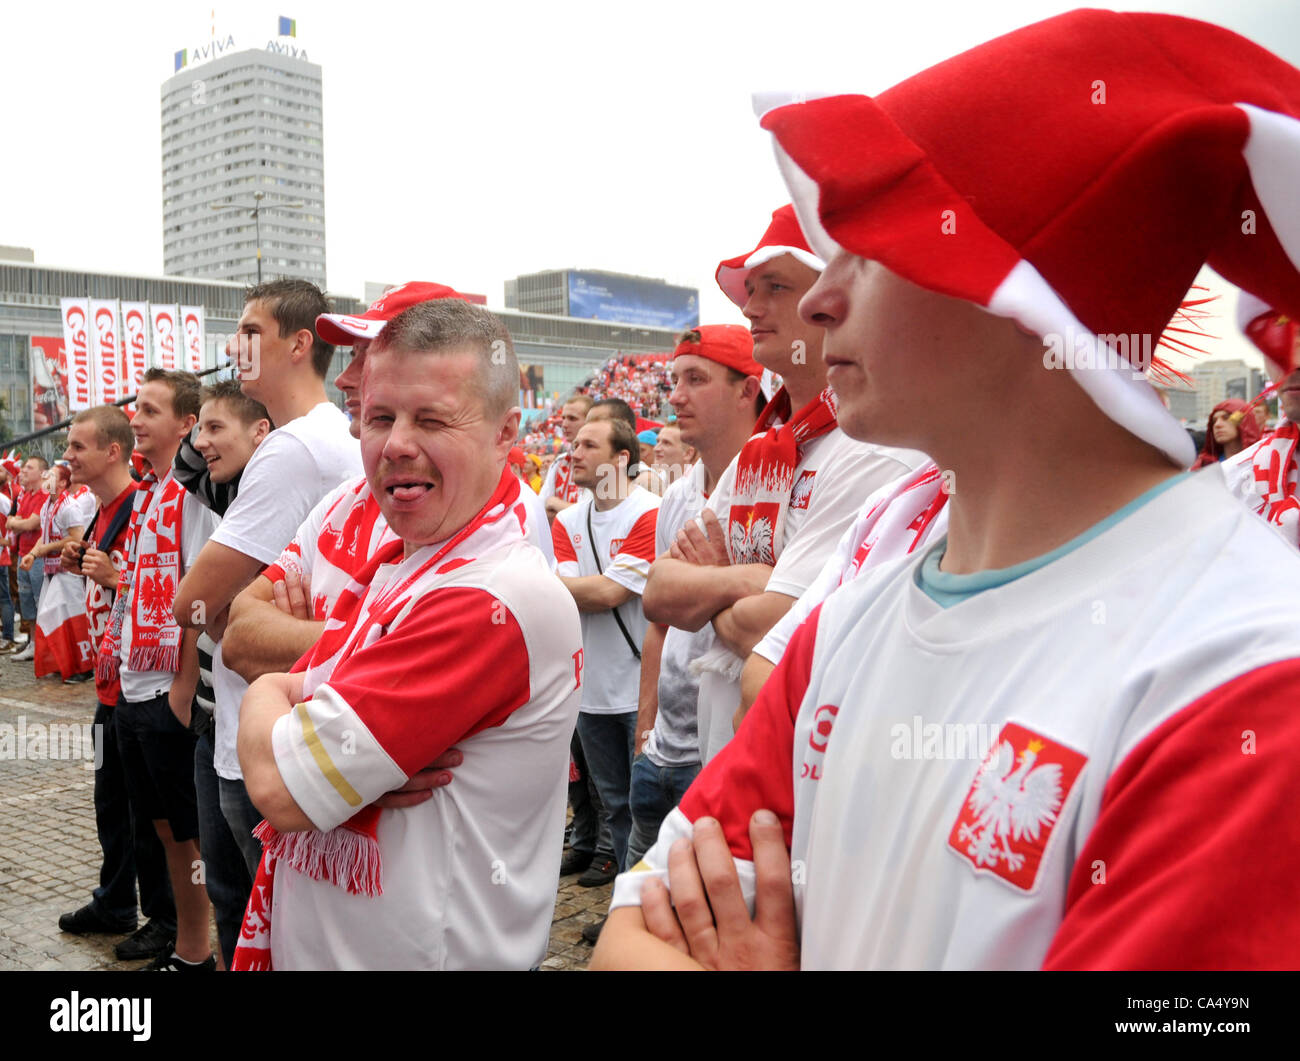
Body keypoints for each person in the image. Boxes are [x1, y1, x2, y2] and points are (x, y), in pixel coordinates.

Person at [595, 9, 1300, 970]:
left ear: (1019, 297)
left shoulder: (1244, 682)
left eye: (867, 251)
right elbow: (629, 934)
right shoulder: (865, 604)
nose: (817, 299)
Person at [233, 299, 582, 970]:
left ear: (507, 431)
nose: (395, 443)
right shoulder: (405, 561)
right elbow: (245, 639)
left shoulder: (490, 597)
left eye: (431, 419)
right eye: (380, 417)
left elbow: (278, 786)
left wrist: (270, 697)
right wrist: (288, 705)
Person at [642, 204, 927, 764]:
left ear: (835, 300)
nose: (750, 307)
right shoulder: (763, 449)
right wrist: (751, 580)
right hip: (724, 758)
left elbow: (775, 631)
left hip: (792, 771)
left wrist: (718, 587)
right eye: (750, 288)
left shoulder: (874, 448)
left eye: (774, 286)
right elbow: (658, 593)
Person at [173, 279, 361, 885]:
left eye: (252, 332)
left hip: (262, 734)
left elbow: (191, 602)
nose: (236, 345)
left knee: (255, 923)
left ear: (300, 343)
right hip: (291, 718)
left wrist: (246, 615)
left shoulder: (293, 448)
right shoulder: (333, 435)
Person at [628, 325, 764, 878]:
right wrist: (646, 724)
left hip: (726, 734)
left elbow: (778, 611)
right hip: (666, 741)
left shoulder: (770, 487)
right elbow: (658, 613)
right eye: (674, 379)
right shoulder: (679, 494)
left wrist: (700, 589)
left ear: (747, 390)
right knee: (639, 881)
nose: (676, 395)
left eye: (696, 379)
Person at [108, 369, 221, 970]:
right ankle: (187, 942)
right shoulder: (151, 491)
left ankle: (196, 949)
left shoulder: (193, 496)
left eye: (150, 410)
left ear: (185, 424)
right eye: (135, 408)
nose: (136, 419)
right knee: (162, 827)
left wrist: (181, 686)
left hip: (166, 691)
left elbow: (202, 591)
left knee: (188, 832)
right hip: (135, 682)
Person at [55, 406, 176, 962]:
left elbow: (166, 586)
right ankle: (114, 901)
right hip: (110, 688)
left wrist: (115, 574)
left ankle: (166, 919)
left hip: (139, 685)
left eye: (78, 446)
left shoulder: (145, 505)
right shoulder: (104, 510)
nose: (68, 456)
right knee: (111, 801)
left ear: (111, 451)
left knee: (149, 812)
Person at [182, 379, 272, 969]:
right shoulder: (224, 495)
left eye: (216, 428)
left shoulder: (279, 494)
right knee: (226, 892)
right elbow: (208, 615)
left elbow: (198, 608)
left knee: (266, 901)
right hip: (218, 725)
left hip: (260, 735)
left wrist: (228, 619)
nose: (201, 442)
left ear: (263, 436)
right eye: (199, 426)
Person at [552, 415, 660, 881]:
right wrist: (588, 587)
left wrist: (581, 587)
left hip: (641, 689)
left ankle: (652, 905)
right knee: (613, 804)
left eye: (587, 445)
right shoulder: (569, 519)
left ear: (621, 458)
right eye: (574, 444)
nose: (573, 453)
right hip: (591, 692)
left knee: (648, 806)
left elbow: (607, 595)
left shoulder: (650, 510)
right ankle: (623, 901)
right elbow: (571, 592)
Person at [28, 462, 96, 681]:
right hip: (54, 570)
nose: (45, 480)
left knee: (72, 618)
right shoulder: (47, 505)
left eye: (51, 477)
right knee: (54, 616)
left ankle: (83, 667)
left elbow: (77, 537)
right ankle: (64, 662)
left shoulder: (69, 506)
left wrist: (44, 549)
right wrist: (33, 553)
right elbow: (45, 535)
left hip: (69, 570)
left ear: (63, 483)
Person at [8, 456, 49, 661]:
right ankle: (33, 643)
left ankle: (44, 645)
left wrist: (18, 523)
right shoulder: (25, 494)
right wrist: (18, 522)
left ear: (42, 472)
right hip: (23, 553)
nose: (23, 471)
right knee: (27, 602)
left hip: (37, 556)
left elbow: (31, 524)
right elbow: (10, 521)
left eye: (29, 468)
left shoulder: (43, 495)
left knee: (40, 601)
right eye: (23, 467)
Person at [539, 393, 593, 522]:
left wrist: (555, 503)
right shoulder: (559, 462)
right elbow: (541, 508)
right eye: (563, 418)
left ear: (590, 421)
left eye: (572, 418)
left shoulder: (598, 461)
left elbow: (590, 515)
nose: (564, 424)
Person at [1190, 399, 1260, 469]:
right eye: (1214, 421)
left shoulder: (1262, 462)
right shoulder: (1203, 466)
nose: (1217, 424)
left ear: (1244, 422)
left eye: (1226, 418)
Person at [651, 423, 696, 487]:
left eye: (666, 443)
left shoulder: (698, 487)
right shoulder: (656, 481)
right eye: (657, 441)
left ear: (688, 453)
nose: (656, 449)